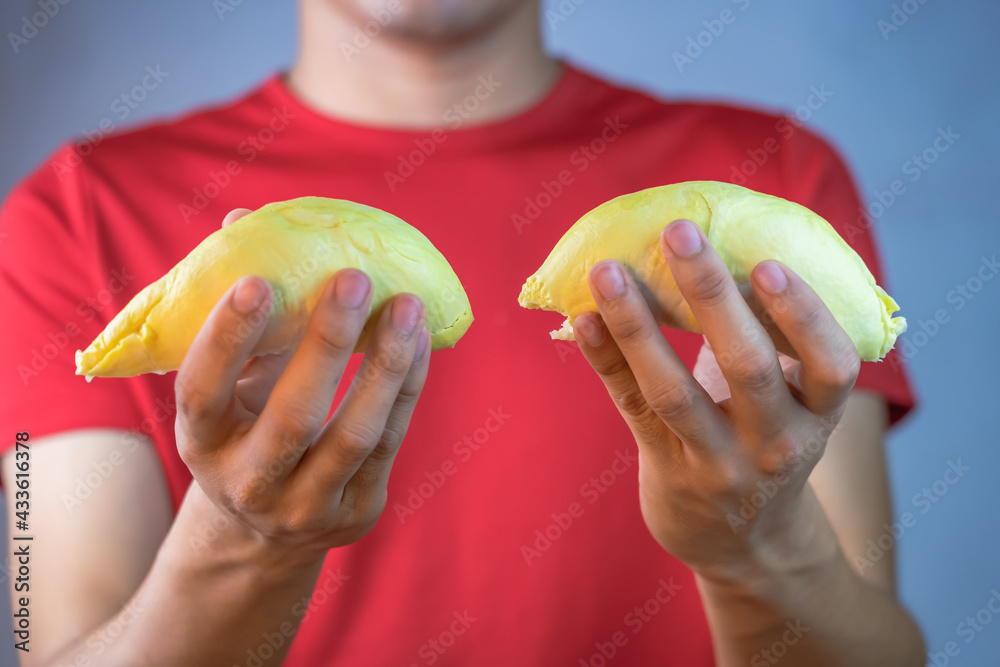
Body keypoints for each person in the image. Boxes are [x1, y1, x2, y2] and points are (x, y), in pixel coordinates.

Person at [0, 1, 924, 665]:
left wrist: (758, 546)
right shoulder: (73, 217)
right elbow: (54, 646)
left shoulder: (777, 176)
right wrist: (242, 543)